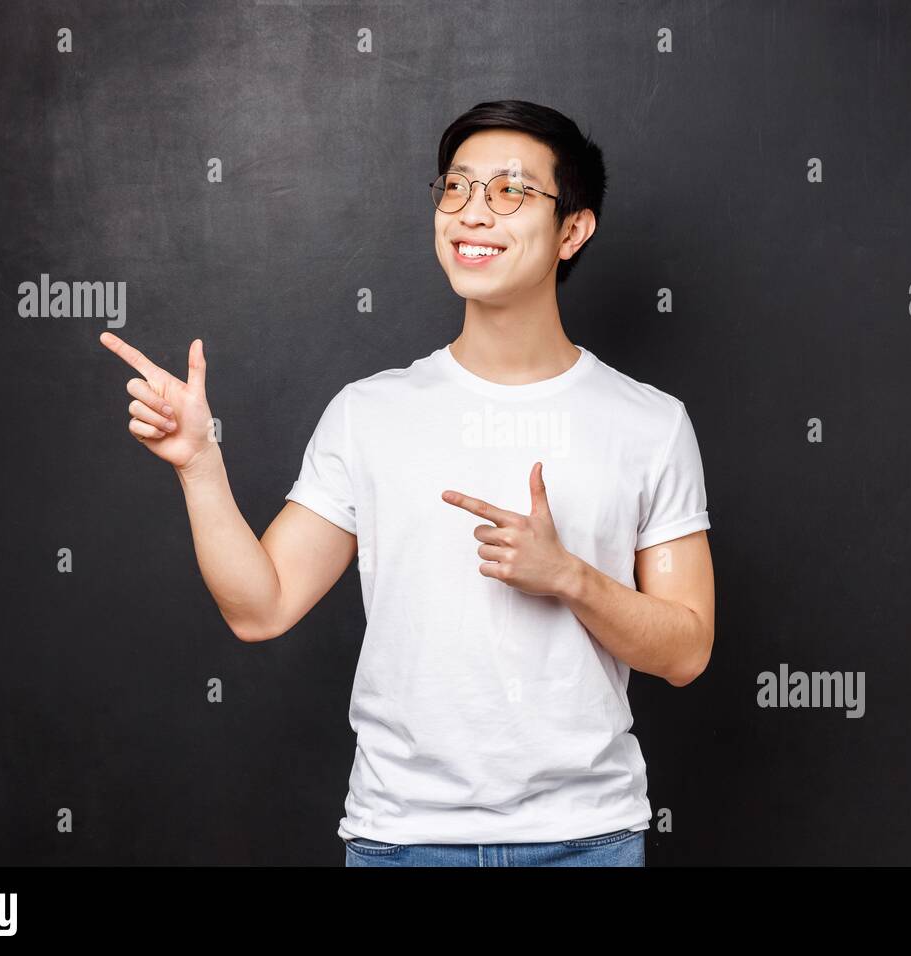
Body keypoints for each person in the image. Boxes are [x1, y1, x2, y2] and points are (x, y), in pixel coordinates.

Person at [99, 100, 715, 867]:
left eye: (510, 192)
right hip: (402, 841)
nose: (472, 214)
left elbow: (687, 649)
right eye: (455, 189)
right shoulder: (370, 413)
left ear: (573, 229)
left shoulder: (650, 423)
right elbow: (260, 607)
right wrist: (199, 466)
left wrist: (569, 578)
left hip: (585, 839)